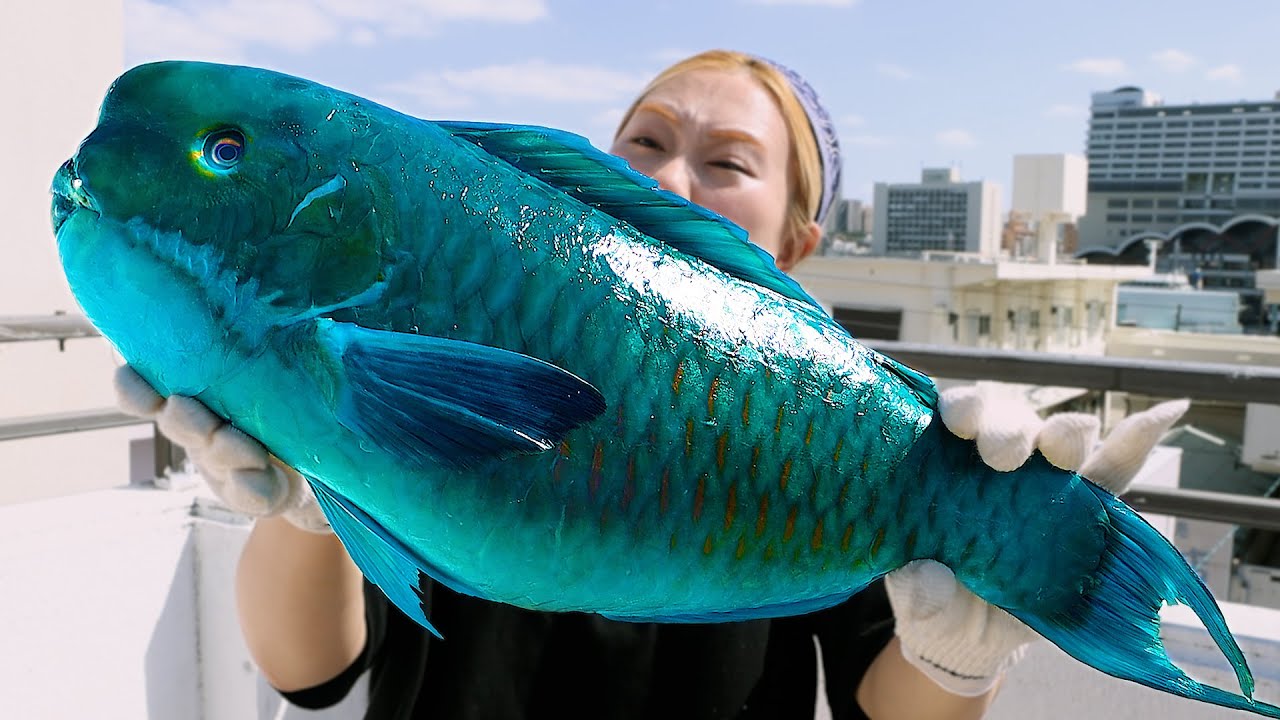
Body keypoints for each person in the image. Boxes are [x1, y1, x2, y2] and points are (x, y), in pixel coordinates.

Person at [115, 50, 1188, 719]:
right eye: (644, 141)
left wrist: (959, 660)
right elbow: (311, 672)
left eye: (725, 163)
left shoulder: (853, 444)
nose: (668, 177)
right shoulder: (467, 306)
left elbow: (888, 712)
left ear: (796, 244)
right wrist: (312, 506)